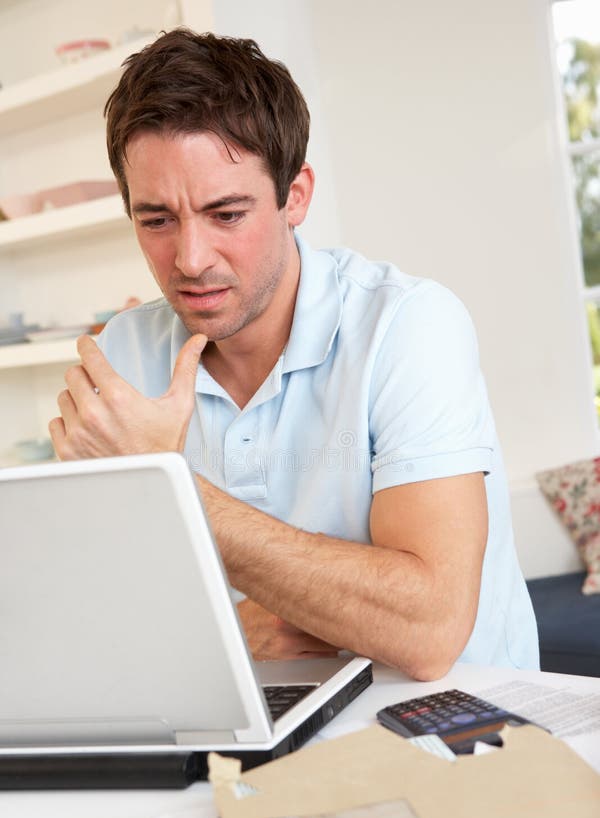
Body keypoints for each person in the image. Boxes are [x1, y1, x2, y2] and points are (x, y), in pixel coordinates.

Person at [48, 29, 539, 678]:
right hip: (252, 722)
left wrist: (166, 481)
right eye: (157, 219)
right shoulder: (125, 354)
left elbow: (430, 626)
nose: (190, 260)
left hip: (455, 725)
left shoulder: (409, 325)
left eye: (226, 213)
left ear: (296, 196)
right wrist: (225, 631)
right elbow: (91, 609)